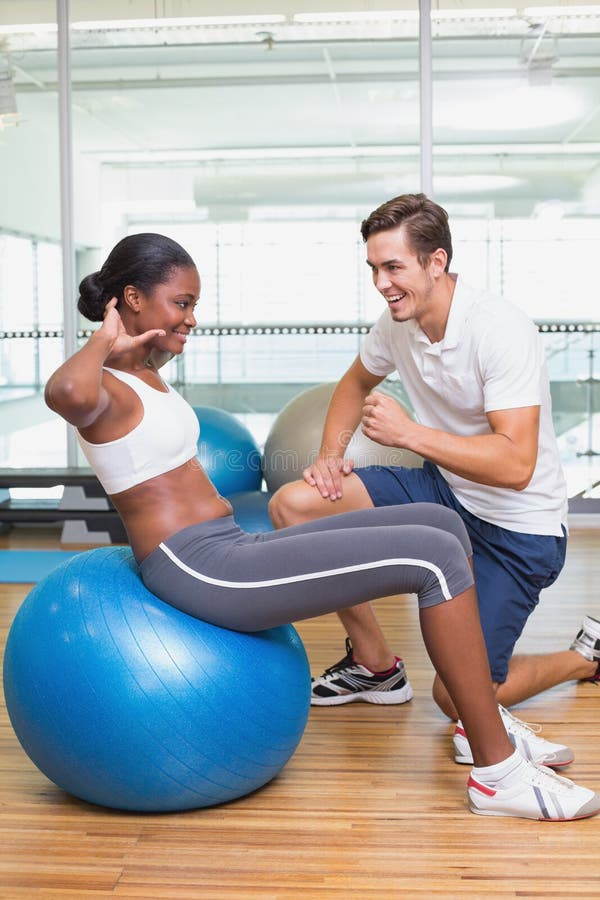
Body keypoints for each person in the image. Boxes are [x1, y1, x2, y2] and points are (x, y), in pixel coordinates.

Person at [44, 232, 599, 822]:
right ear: (130, 298)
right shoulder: (99, 380)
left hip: (227, 546)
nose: (192, 318)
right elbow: (65, 393)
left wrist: (137, 342)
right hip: (196, 567)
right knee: (432, 560)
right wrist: (105, 335)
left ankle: (478, 718)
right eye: (181, 303)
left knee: (439, 524)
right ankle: (498, 772)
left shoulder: (142, 373)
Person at [269, 193, 600, 769]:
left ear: (436, 262)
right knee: (295, 506)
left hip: (519, 529)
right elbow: (352, 384)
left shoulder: (499, 329)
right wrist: (328, 456)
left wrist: (410, 434)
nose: (381, 282)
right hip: (443, 492)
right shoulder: (397, 324)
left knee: (457, 698)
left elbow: (516, 465)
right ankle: (376, 665)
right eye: (373, 267)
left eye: (393, 266)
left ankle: (584, 659)